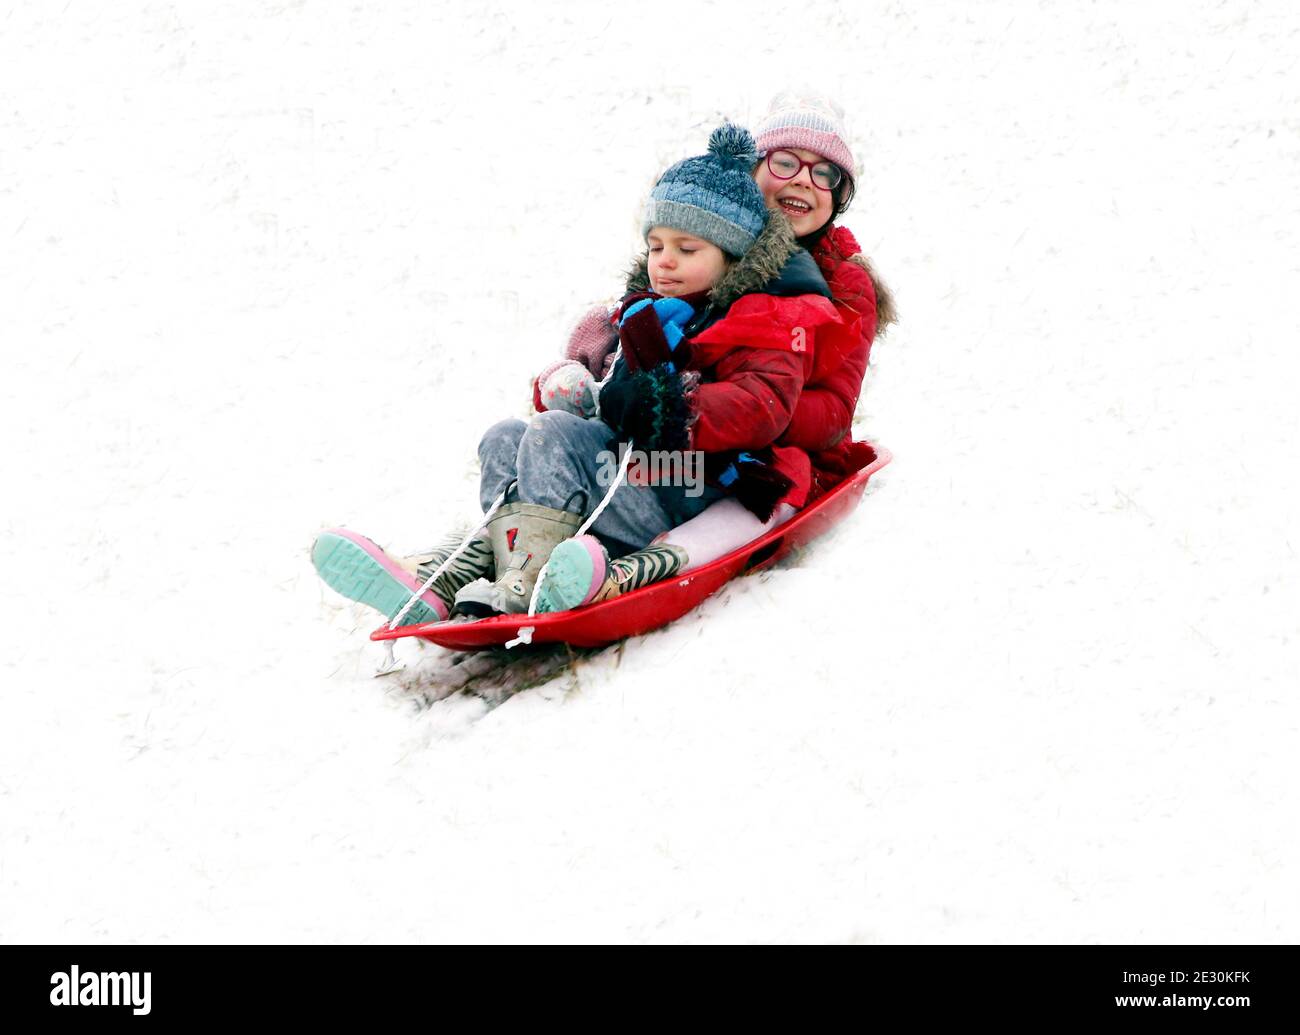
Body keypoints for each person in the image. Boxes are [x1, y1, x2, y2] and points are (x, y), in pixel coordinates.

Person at [314, 123, 847, 623]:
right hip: (624, 469)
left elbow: (762, 406)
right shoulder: (635, 313)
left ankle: (523, 585)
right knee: (506, 437)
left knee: (557, 436)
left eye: (687, 249)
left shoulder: (758, 317)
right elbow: (585, 380)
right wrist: (564, 383)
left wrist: (672, 405)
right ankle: (448, 579)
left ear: (730, 258)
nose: (665, 261)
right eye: (656, 246)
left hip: (687, 480)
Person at [535, 93, 896, 611]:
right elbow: (634, 328)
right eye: (786, 162)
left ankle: (648, 567)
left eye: (826, 175)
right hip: (686, 443)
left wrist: (741, 406)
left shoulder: (842, 283)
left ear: (839, 197)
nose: (802, 181)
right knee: (580, 444)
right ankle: (514, 551)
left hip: (777, 452)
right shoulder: (706, 239)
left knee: (773, 479)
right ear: (752, 170)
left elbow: (833, 411)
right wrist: (591, 382)